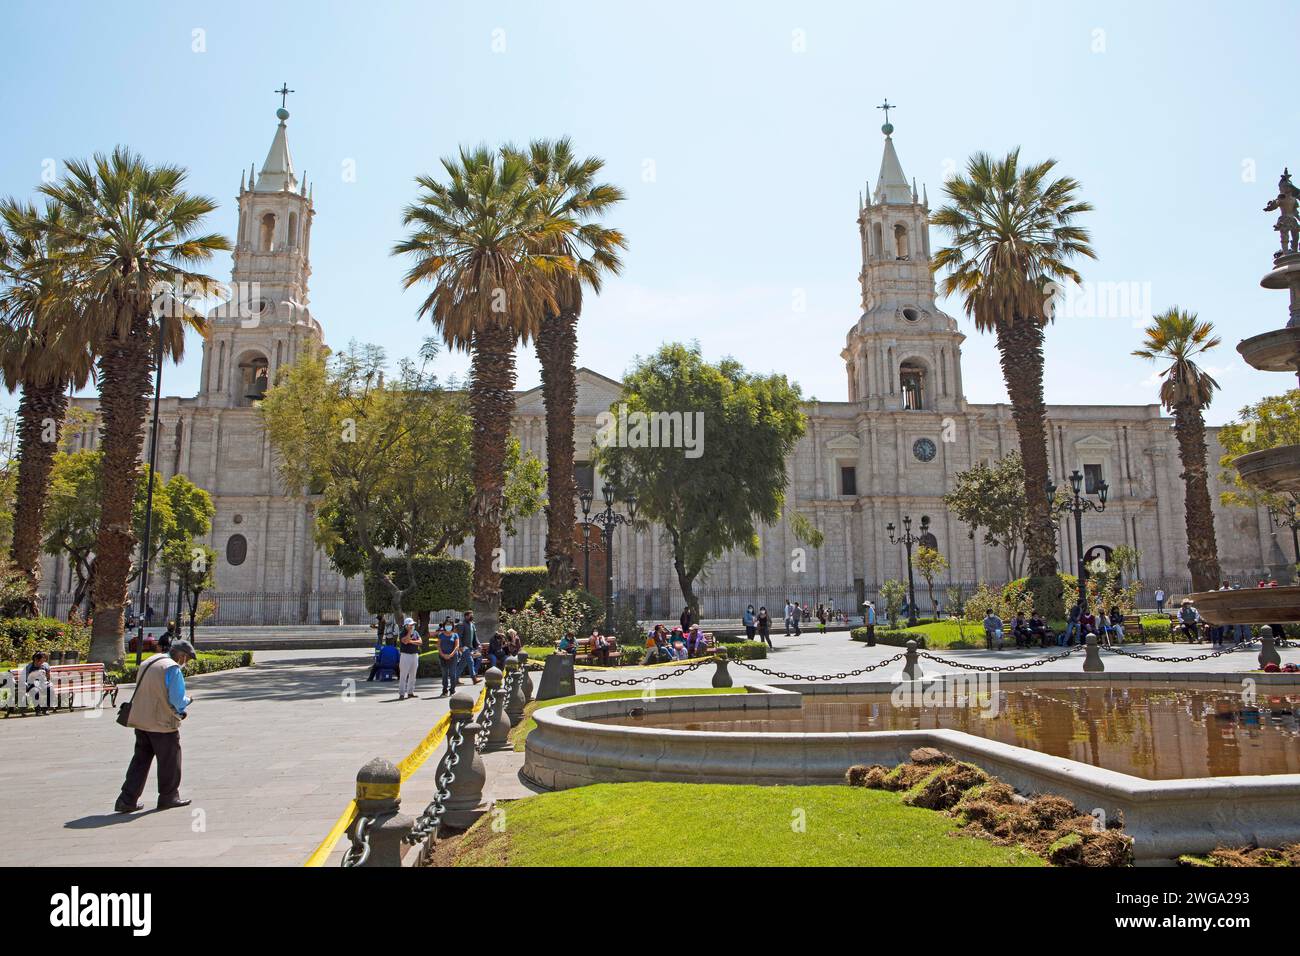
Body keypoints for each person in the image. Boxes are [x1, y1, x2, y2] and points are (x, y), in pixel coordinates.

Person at [115, 639, 196, 813]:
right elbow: (176, 699)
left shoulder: (149, 661)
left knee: (140, 760)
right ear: (181, 655)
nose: (186, 663)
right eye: (187, 659)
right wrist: (187, 702)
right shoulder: (172, 668)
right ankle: (169, 796)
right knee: (170, 761)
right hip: (161, 722)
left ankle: (126, 799)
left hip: (141, 719)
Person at [397, 618, 422, 700]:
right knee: (403, 675)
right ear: (406, 625)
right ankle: (401, 693)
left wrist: (411, 642)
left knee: (413, 675)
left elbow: (420, 642)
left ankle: (410, 692)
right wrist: (409, 632)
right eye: (410, 625)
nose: (412, 626)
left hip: (414, 655)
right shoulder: (402, 633)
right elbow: (405, 641)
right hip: (405, 655)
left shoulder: (416, 632)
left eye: (413, 625)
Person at [437, 619, 460, 696]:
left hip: (453, 657)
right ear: (444, 626)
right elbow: (438, 646)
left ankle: (452, 690)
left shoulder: (455, 635)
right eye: (447, 625)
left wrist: (451, 655)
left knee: (453, 674)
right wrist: (443, 655)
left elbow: (457, 646)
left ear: (452, 626)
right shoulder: (441, 635)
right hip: (442, 657)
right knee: (444, 674)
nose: (448, 626)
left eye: (450, 625)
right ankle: (445, 690)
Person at [459, 611, 480, 684]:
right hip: (465, 647)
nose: (472, 616)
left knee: (462, 664)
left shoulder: (472, 625)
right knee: (470, 661)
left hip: (470, 647)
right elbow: (459, 637)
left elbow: (475, 636)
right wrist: (460, 646)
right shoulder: (462, 625)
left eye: (472, 615)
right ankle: (474, 678)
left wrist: (478, 644)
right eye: (470, 615)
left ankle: (455, 679)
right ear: (466, 616)